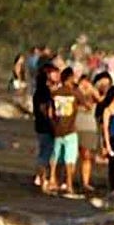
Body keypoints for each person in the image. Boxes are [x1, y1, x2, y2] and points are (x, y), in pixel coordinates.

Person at [49, 66, 80, 195]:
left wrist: (54, 124)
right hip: (70, 130)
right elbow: (87, 104)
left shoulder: (55, 93)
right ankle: (69, 184)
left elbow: (50, 113)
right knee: (70, 159)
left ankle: (52, 179)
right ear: (70, 78)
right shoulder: (74, 93)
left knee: (55, 156)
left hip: (57, 129)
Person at [31, 62, 57, 192]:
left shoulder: (37, 93)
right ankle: (43, 180)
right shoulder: (44, 93)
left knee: (43, 153)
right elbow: (46, 111)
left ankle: (42, 179)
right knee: (46, 155)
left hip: (39, 126)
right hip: (46, 127)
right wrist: (53, 124)